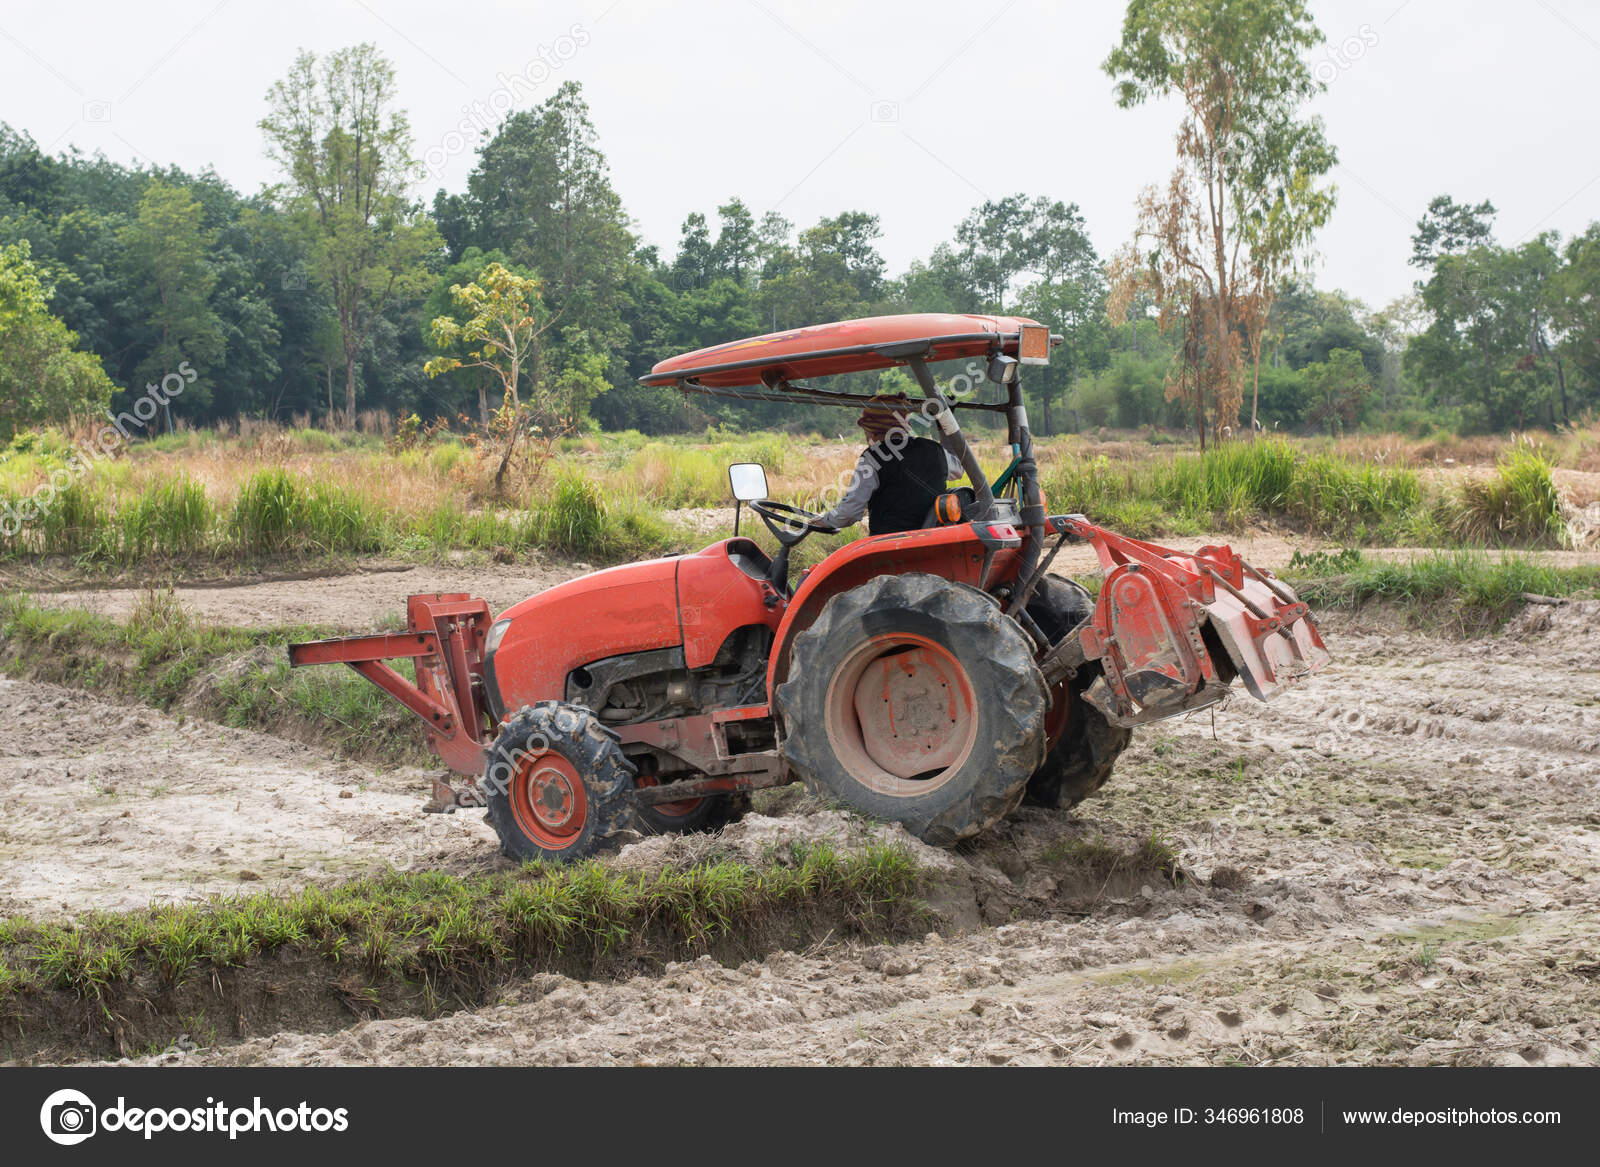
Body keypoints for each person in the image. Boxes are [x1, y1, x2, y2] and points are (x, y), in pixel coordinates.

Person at [818, 396, 964, 535]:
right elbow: (958, 470)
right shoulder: (934, 449)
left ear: (873, 430)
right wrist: (943, 425)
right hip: (933, 538)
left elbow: (849, 513)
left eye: (866, 430)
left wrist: (823, 521)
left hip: (889, 544)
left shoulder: (872, 458)